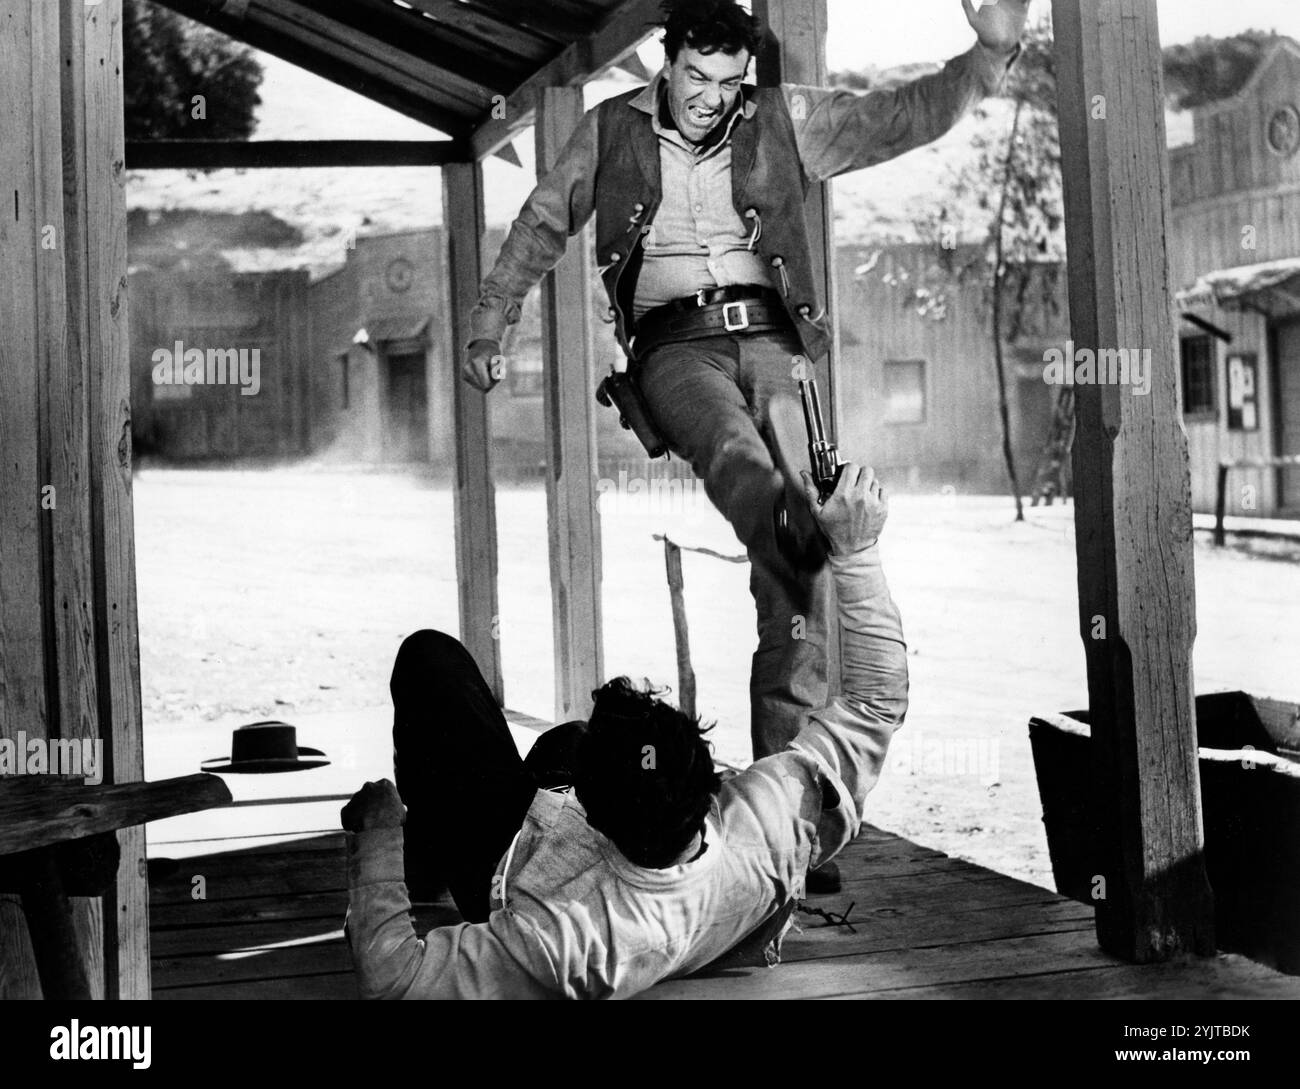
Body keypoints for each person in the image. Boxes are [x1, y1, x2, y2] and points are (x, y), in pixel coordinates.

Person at [459, 0, 1024, 890]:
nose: (711, 99)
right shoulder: (610, 131)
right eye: (696, 78)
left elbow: (900, 116)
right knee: (732, 453)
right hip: (674, 349)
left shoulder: (784, 119)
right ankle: (789, 520)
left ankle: (791, 827)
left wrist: (987, 56)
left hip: (773, 342)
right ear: (666, 61)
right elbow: (539, 224)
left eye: (729, 84)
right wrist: (490, 322)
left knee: (799, 584)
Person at [342, 463, 906, 999]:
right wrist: (856, 550)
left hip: (506, 871)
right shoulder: (774, 820)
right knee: (563, 741)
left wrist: (379, 836)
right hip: (651, 878)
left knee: (430, 660)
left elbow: (392, 978)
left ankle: (430, 859)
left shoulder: (562, 939)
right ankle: (552, 770)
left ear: (591, 814)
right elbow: (877, 703)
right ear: (709, 778)